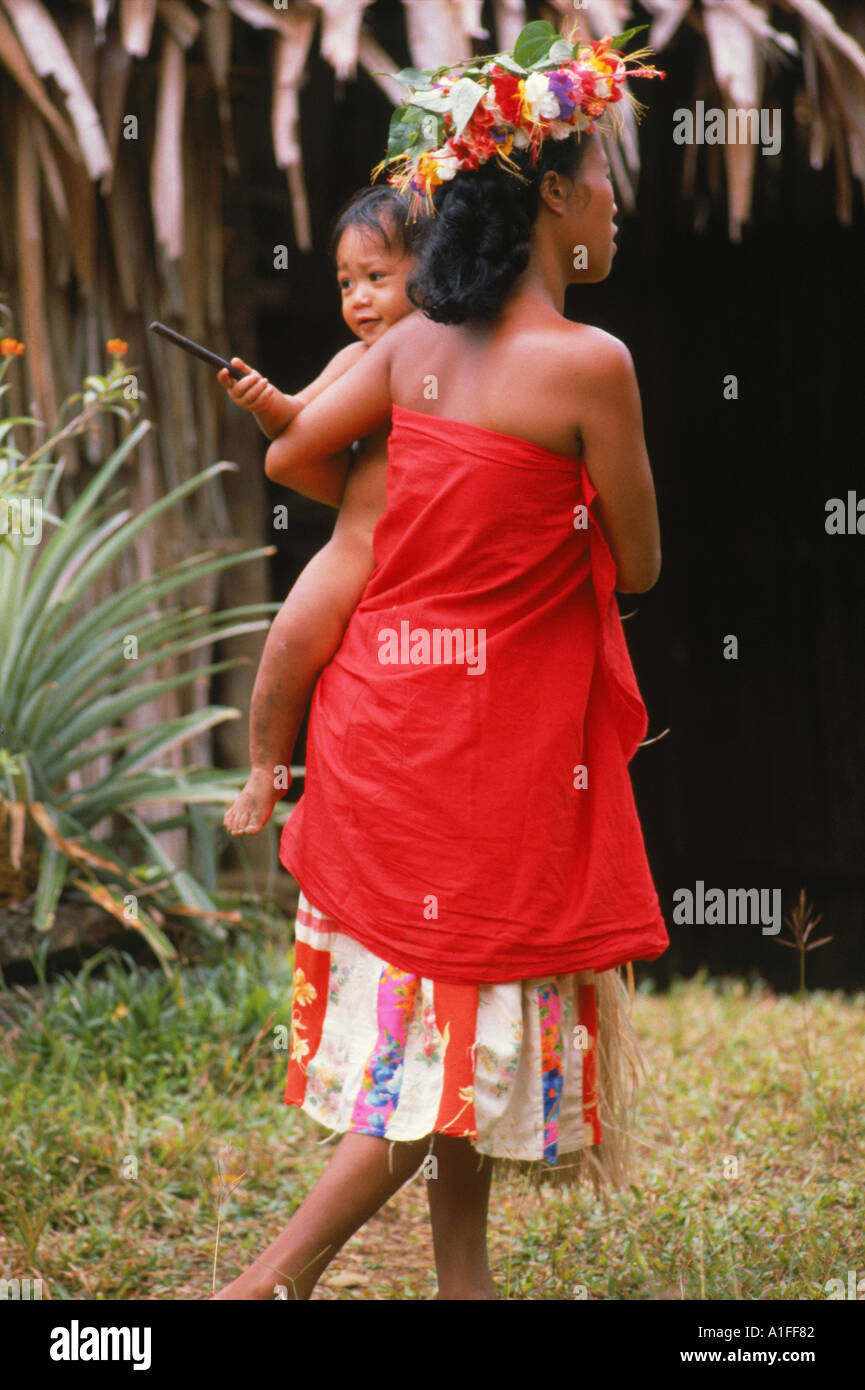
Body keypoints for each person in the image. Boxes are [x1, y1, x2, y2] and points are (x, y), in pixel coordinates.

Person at [212, 29, 668, 1301]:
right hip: (486, 764)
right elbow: (634, 565)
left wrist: (388, 486)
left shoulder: (408, 353)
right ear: (556, 200)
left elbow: (291, 456)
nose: (615, 209)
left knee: (442, 1030)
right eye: (605, 185)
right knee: (438, 1047)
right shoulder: (593, 366)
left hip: (381, 726)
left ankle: (460, 1283)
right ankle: (269, 1286)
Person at [218, 186, 425, 835]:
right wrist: (262, 401)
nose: (357, 297)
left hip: (430, 543)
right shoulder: (355, 358)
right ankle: (265, 767)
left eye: (375, 277)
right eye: (344, 283)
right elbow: (295, 423)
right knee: (289, 636)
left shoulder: (448, 346)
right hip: (359, 539)